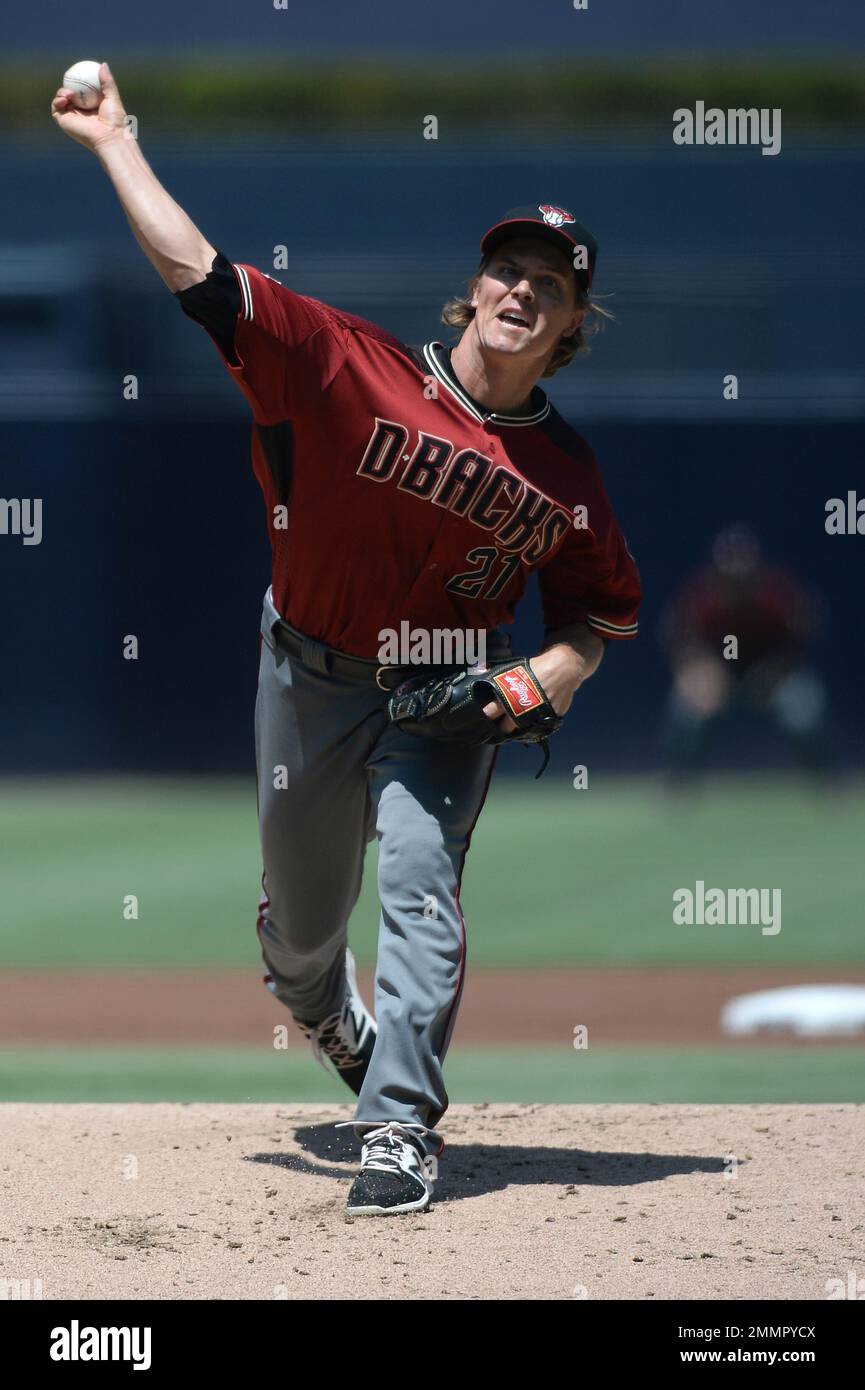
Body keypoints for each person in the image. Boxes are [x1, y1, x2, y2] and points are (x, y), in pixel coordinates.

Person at [52, 63, 642, 1217]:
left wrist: (549, 672)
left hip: (445, 695)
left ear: (571, 328)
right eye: (506, 270)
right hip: (309, 669)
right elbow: (205, 281)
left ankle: (399, 1128)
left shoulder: (567, 476)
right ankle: (323, 1007)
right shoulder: (346, 366)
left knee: (423, 884)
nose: (522, 290)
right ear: (470, 293)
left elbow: (602, 612)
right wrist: (118, 142)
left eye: (549, 286)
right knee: (304, 931)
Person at [661, 524, 834, 784]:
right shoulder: (704, 597)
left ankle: (826, 779)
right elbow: (677, 635)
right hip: (719, 677)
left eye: (743, 573)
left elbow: (806, 628)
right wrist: (697, 668)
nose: (737, 581)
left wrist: (779, 669)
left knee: (804, 706)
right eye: (730, 574)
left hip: (770, 675)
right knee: (685, 708)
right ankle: (676, 781)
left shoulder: (773, 594)